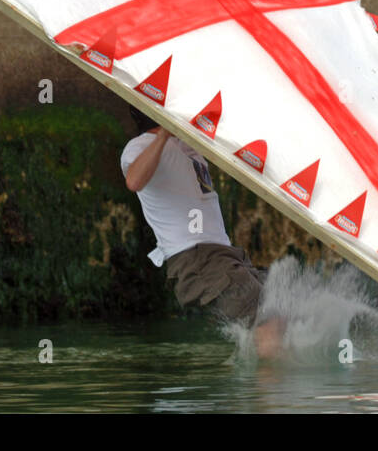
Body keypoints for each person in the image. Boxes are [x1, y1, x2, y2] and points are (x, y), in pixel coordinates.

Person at [121, 107, 286, 358]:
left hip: (225, 255)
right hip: (196, 258)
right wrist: (164, 134)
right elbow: (133, 181)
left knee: (279, 305)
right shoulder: (139, 145)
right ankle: (274, 392)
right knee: (265, 316)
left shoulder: (191, 145)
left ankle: (258, 384)